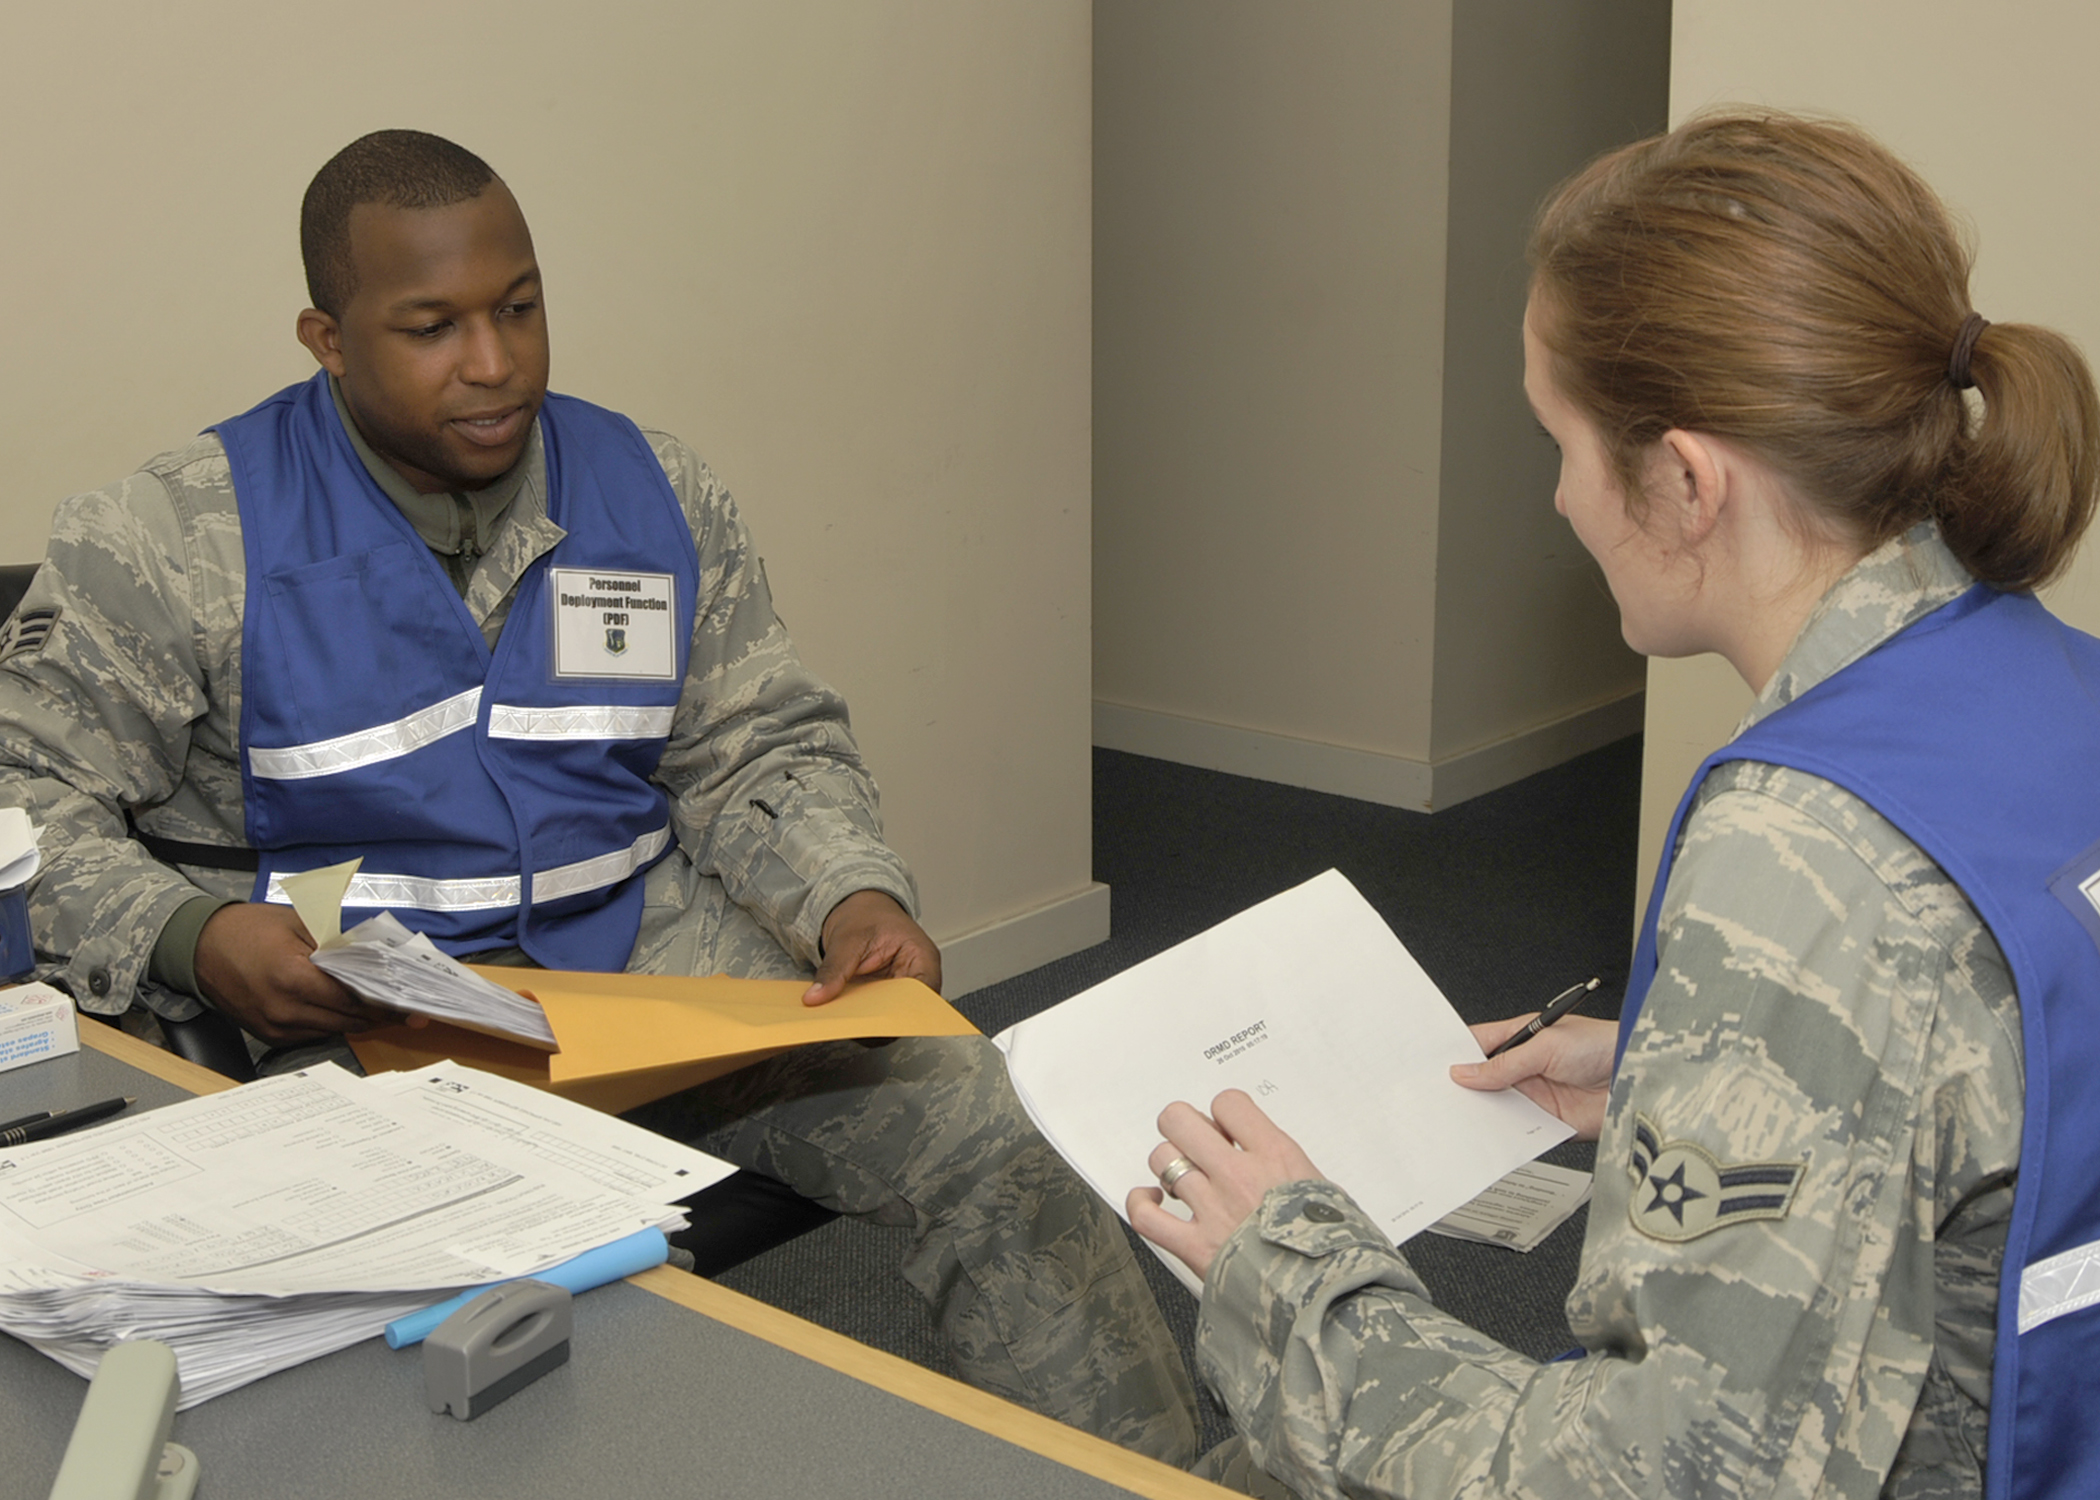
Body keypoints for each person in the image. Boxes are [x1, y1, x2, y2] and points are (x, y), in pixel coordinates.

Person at [0, 129, 1197, 1461]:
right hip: (350, 1027)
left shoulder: (654, 491)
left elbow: (758, 743)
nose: (495, 362)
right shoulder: (173, 539)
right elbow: (22, 806)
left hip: (638, 976)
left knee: (979, 1118)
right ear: (327, 340)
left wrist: (850, 894)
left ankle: (1154, 1481)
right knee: (434, 1350)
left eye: (519, 308)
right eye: (432, 327)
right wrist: (192, 938)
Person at [1128, 112, 2100, 1499]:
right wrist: (1686, 1068)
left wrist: (1288, 1267)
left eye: (1562, 442)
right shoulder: (2053, 682)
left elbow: (1674, 1474)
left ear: (1686, 481)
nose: (1560, 499)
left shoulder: (1801, 849)